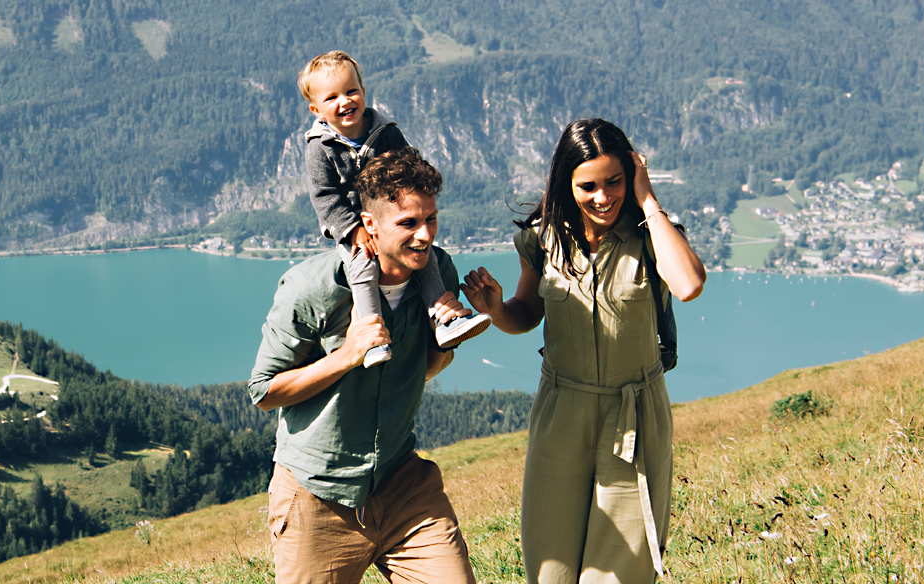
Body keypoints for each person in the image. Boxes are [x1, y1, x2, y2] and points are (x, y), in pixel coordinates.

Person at [461, 119, 706, 584]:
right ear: (565, 185)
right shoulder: (541, 238)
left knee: (620, 573)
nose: (603, 197)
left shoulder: (652, 235)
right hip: (561, 413)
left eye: (614, 181)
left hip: (634, 415)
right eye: (587, 186)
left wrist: (647, 197)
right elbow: (527, 313)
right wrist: (496, 309)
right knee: (549, 569)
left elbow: (689, 285)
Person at [251, 147, 477, 584]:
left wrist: (448, 337)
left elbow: (425, 368)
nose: (425, 235)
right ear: (369, 225)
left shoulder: (438, 273)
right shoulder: (313, 287)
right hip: (318, 497)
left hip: (403, 484)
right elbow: (263, 391)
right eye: (408, 223)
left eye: (431, 219)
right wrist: (347, 355)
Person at [298, 50, 490, 367]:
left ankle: (444, 320)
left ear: (363, 91)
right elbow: (324, 196)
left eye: (351, 91)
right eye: (332, 97)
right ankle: (373, 339)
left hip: (395, 223)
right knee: (362, 267)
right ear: (316, 109)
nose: (345, 101)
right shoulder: (320, 147)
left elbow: (411, 169)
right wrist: (352, 230)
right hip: (354, 229)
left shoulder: (386, 132)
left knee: (424, 256)